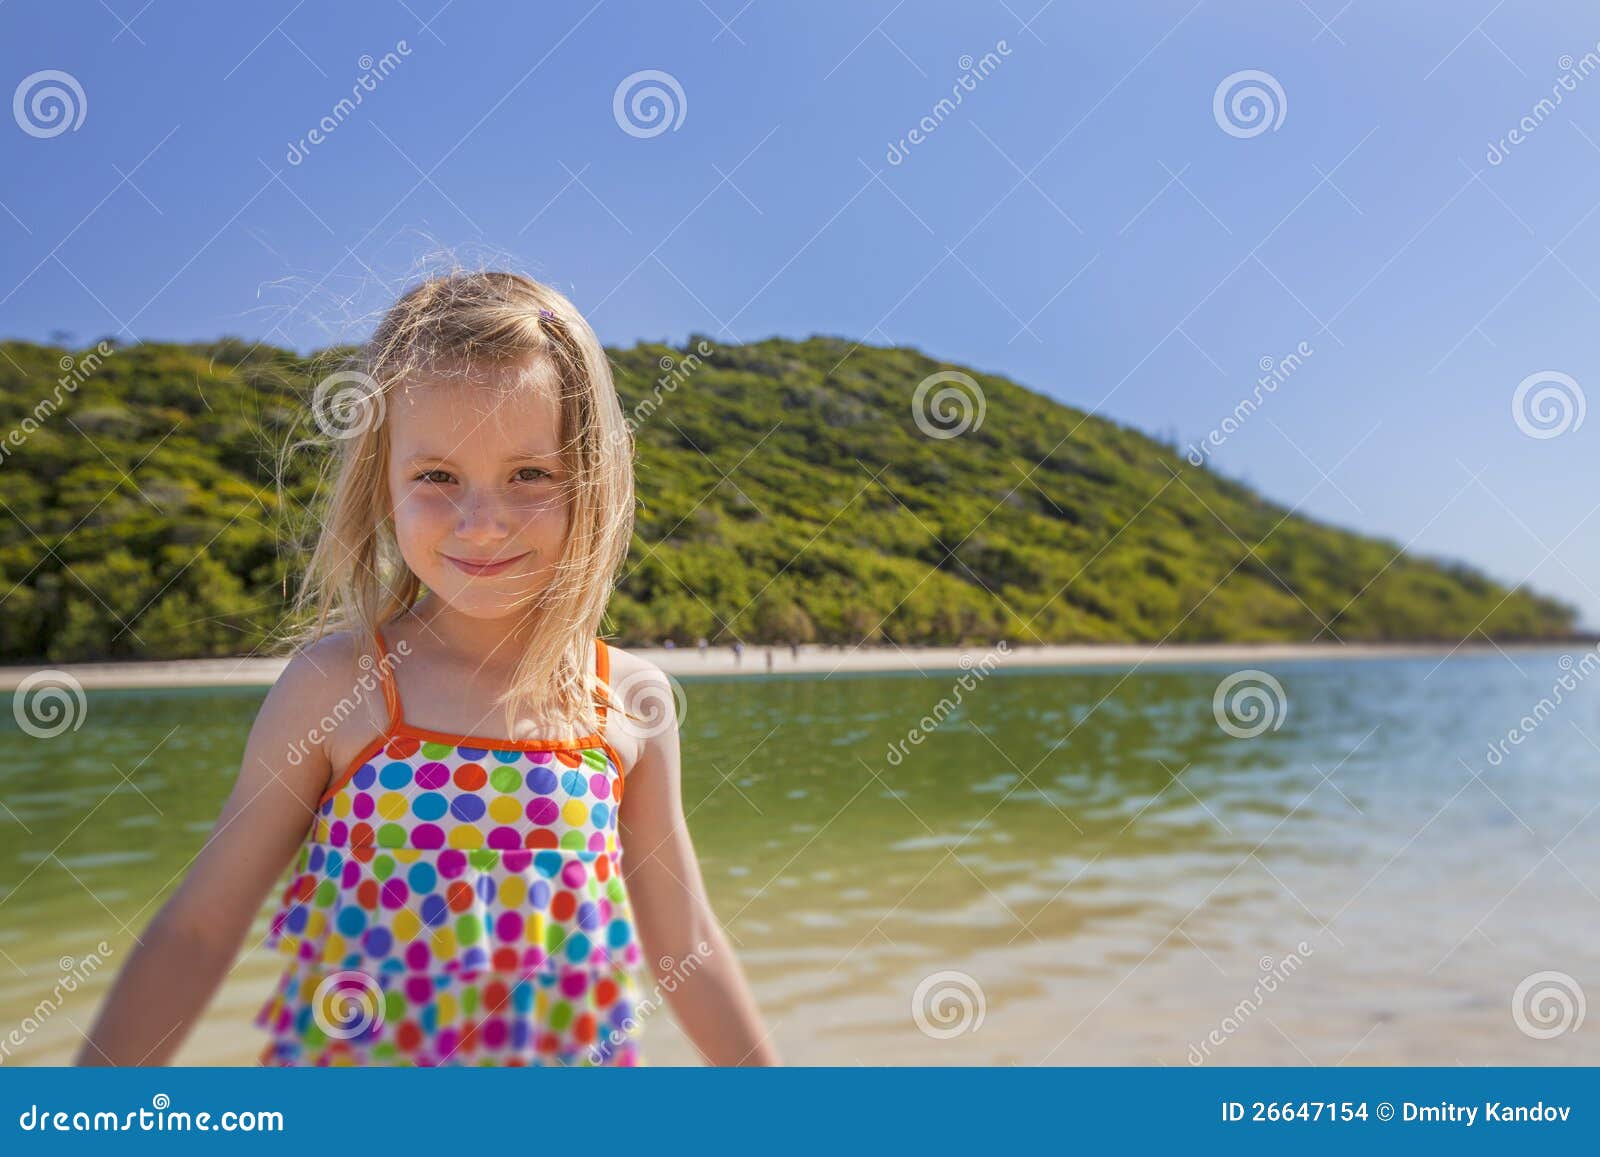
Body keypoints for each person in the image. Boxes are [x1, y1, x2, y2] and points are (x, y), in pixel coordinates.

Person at [74, 270, 776, 1068]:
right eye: (437, 477)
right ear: (383, 485)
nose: (484, 522)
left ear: (593, 478)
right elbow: (200, 931)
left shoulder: (627, 699)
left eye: (531, 474)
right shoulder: (342, 686)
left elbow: (686, 948)